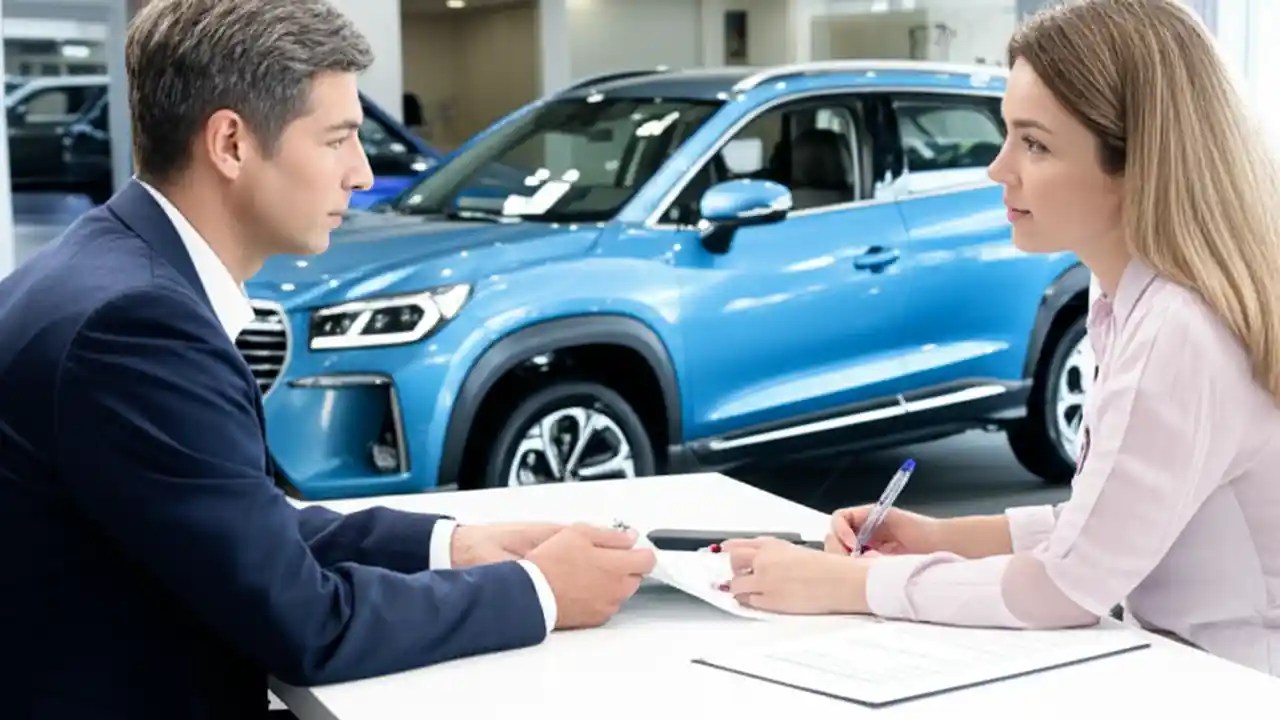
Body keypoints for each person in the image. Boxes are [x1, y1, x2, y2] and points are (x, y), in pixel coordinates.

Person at [0, 0, 655, 717]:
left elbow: (234, 520)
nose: (364, 174)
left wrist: (456, 546)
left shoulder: (105, 268)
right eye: (338, 139)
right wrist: (540, 592)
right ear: (230, 143)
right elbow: (306, 625)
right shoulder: (135, 325)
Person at [721, 0, 1280, 677]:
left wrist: (841, 586)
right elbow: (1112, 520)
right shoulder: (1136, 303)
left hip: (1232, 685)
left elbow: (1069, 586)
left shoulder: (1180, 331)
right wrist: (942, 536)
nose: (998, 169)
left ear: (1137, 164)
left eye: (1035, 144)